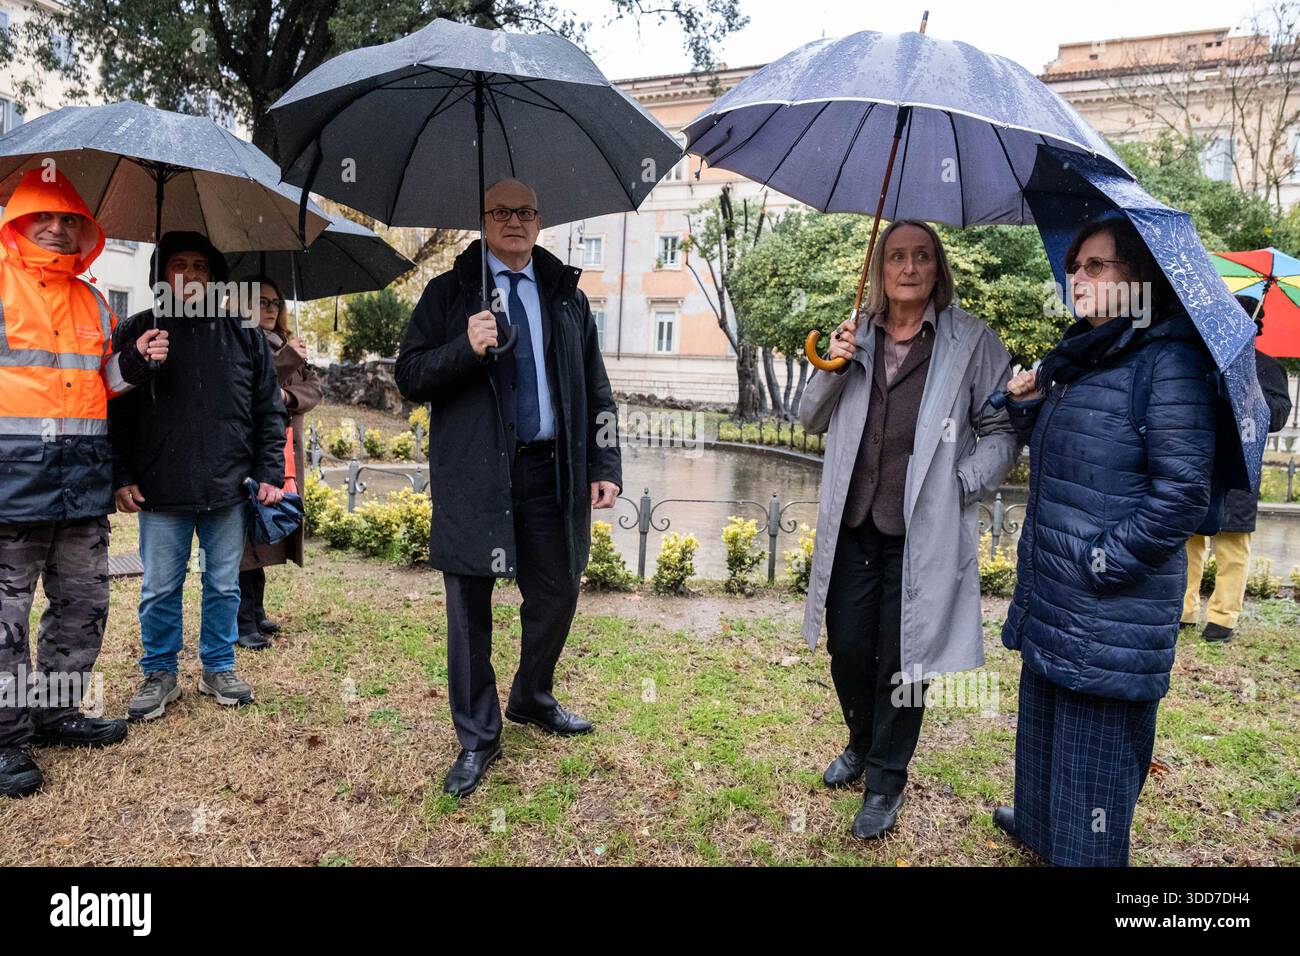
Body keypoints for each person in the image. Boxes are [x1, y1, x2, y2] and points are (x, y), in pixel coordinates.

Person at [996, 216, 1218, 866]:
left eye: (1098, 266)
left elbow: (1182, 494)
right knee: (1043, 736)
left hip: (1107, 610)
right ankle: (1039, 825)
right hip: (1058, 602)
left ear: (1138, 281)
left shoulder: (1166, 362)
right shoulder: (1083, 357)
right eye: (1075, 267)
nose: (1079, 279)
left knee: (1093, 775)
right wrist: (1025, 403)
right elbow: (1074, 459)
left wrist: (1099, 564)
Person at [395, 177, 621, 798]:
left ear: (540, 220)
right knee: (469, 608)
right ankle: (478, 736)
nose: (514, 221)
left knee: (556, 592)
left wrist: (605, 467)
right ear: (484, 219)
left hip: (553, 472)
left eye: (524, 211)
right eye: (501, 211)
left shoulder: (566, 297)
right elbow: (409, 374)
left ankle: (530, 694)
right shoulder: (449, 293)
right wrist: (463, 348)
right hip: (477, 473)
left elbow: (596, 390)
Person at [798, 220, 1018, 839]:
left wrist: (961, 485)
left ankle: (885, 780)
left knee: (905, 660)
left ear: (937, 269)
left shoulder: (972, 342)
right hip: (855, 523)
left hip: (923, 530)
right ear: (880, 269)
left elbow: (1003, 430)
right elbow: (809, 418)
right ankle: (863, 741)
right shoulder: (854, 336)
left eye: (922, 256)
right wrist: (833, 365)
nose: (909, 267)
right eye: (896, 256)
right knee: (848, 646)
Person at [0, 169, 167, 798]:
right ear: (18, 219)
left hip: (81, 487)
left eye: (70, 219)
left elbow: (101, 382)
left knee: (84, 607)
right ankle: (6, 741)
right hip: (10, 486)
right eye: (44, 216)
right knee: (5, 623)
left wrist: (135, 361)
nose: (58, 228)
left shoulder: (94, 299)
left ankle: (56, 712)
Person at [111, 232, 287, 720]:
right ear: (161, 273)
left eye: (201, 266)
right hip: (159, 489)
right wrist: (122, 475)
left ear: (215, 277)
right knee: (160, 586)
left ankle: (219, 666)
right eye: (179, 264)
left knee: (224, 584)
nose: (190, 274)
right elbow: (116, 412)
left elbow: (269, 411)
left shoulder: (244, 334)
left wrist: (270, 471)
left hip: (228, 488)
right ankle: (160, 673)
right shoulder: (137, 331)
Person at [1181, 294, 1292, 642]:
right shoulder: (1200, 362)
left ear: (1252, 328)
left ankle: (1222, 619)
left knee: (1232, 546)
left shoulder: (1269, 367)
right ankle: (1183, 612)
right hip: (1201, 463)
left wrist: (1247, 387)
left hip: (1240, 470)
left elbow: (1276, 417)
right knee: (1190, 540)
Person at [235, 276, 322, 651]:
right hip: (252, 454)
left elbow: (314, 389)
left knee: (268, 532)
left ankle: (256, 612)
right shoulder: (239, 342)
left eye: (274, 303)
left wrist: (287, 393)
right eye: (261, 302)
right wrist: (287, 364)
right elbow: (254, 386)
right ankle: (241, 620)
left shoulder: (287, 344)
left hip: (285, 452)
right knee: (248, 536)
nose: (269, 309)